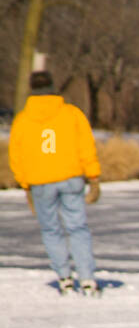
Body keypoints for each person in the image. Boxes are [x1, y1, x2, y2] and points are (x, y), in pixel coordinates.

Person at [8, 70, 102, 295]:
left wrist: (24, 183)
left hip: (40, 182)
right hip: (70, 177)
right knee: (77, 227)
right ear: (53, 87)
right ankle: (87, 278)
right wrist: (94, 176)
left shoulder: (22, 120)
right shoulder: (71, 114)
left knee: (51, 230)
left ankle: (64, 277)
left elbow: (16, 154)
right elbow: (86, 145)